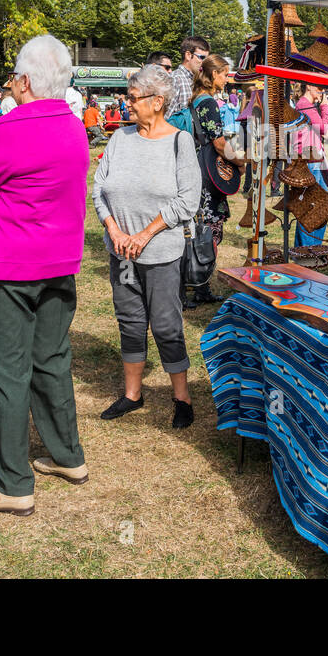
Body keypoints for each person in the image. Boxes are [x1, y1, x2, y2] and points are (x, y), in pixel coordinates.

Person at [0, 35, 90, 515]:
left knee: (8, 373)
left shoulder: (7, 130)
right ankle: (67, 454)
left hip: (9, 265)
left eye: (12, 76)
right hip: (59, 262)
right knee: (51, 358)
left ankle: (13, 484)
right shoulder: (75, 127)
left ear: (24, 81)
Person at [92, 64, 200, 429]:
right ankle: (132, 395)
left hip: (160, 253)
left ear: (158, 102)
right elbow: (99, 188)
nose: (127, 104)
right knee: (130, 321)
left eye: (133, 98)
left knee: (167, 325)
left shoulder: (178, 142)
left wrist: (144, 233)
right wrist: (114, 230)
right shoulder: (120, 138)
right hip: (120, 252)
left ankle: (181, 397)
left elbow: (188, 201)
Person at [186, 54, 234, 308]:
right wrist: (240, 160)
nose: (227, 79)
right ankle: (198, 283)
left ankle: (200, 286)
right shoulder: (209, 102)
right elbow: (217, 142)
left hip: (195, 170)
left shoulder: (196, 99)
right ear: (214, 75)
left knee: (201, 230)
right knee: (209, 232)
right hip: (207, 174)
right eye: (224, 74)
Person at [293, 81, 328, 248]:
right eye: (320, 88)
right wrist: (324, 107)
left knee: (319, 208)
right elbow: (324, 129)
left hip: (312, 161)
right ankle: (307, 250)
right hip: (310, 163)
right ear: (308, 86)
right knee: (313, 209)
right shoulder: (304, 105)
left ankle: (308, 248)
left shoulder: (305, 105)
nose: (322, 92)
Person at [167, 35, 210, 118]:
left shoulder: (196, 80)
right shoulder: (175, 79)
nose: (204, 63)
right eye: (202, 57)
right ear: (188, 55)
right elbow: (165, 118)